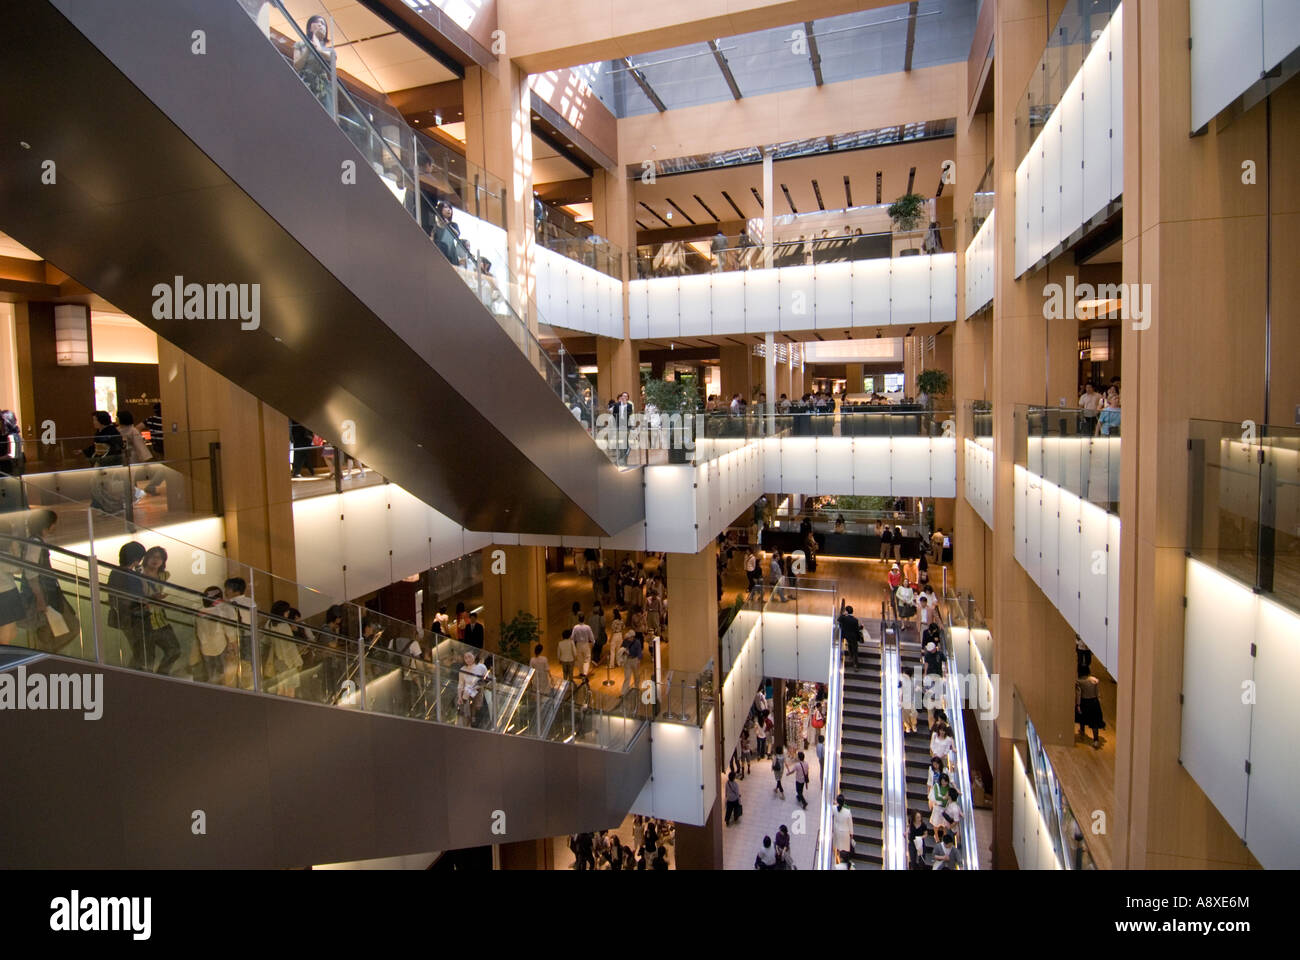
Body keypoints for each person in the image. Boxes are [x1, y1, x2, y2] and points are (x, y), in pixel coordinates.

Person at [106, 541, 148, 668]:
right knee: (140, 650)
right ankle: (133, 676)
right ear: (136, 559)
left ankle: (135, 675)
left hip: (126, 616)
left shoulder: (115, 573)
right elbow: (141, 594)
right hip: (131, 617)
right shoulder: (130, 575)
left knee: (139, 649)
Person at [139, 546, 180, 675]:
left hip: (161, 620)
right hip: (145, 620)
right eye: (153, 556)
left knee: (174, 650)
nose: (156, 560)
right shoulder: (138, 574)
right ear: (146, 558)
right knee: (147, 657)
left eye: (160, 558)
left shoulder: (163, 575)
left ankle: (162, 675)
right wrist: (152, 597)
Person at [292, 14, 337, 119]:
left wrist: (315, 39)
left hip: (323, 90)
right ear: (310, 26)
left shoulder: (330, 51)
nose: (322, 26)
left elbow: (323, 55)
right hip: (305, 84)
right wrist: (309, 47)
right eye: (319, 22)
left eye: (324, 25)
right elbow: (297, 65)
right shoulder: (300, 45)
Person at [196, 585, 239, 686]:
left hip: (205, 648)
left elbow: (198, 632)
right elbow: (229, 631)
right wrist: (235, 646)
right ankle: (220, 690)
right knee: (221, 672)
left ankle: (211, 688)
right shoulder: (220, 612)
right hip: (220, 647)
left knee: (210, 672)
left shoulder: (199, 613)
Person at [457, 650, 489, 727]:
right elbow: (460, 684)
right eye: (465, 658)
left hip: (478, 693)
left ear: (474, 656)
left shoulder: (481, 667)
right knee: (465, 714)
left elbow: (487, 679)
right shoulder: (463, 669)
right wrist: (459, 696)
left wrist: (479, 685)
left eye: (469, 657)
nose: (468, 659)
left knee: (477, 713)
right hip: (466, 694)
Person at [1076, 662, 1104, 748]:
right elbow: (1097, 693)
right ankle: (1096, 740)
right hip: (1094, 702)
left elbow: (1079, 694)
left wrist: (1078, 705)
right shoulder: (1094, 680)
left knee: (1081, 717)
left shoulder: (1079, 682)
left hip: (1085, 701)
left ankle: (1082, 730)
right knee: (1094, 722)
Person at [433, 201, 465, 266]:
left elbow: (457, 234)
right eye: (446, 207)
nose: (449, 210)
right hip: (439, 253)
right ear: (440, 209)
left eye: (450, 208)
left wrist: (448, 225)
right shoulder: (435, 226)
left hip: (451, 253)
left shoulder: (453, 224)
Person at [612, 392, 634, 466]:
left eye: (626, 396)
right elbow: (614, 414)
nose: (624, 397)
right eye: (623, 396)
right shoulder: (616, 405)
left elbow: (629, 413)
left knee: (627, 443)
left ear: (627, 398)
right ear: (621, 397)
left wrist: (624, 406)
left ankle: (624, 458)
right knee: (620, 442)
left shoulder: (629, 405)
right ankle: (622, 458)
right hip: (618, 426)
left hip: (626, 426)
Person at [833, 794, 854, 866]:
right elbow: (850, 824)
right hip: (845, 833)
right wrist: (851, 834)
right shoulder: (847, 812)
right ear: (844, 802)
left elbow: (834, 807)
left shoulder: (834, 809)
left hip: (837, 831)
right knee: (846, 848)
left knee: (839, 846)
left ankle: (839, 860)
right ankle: (846, 862)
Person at [837, 604, 861, 668]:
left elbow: (838, 619)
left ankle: (850, 656)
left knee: (850, 644)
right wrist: (861, 627)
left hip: (846, 636)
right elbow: (856, 629)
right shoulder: (855, 620)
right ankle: (855, 664)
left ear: (846, 611)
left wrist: (843, 614)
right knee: (855, 650)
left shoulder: (844, 618)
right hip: (853, 636)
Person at [620, 630, 643, 694]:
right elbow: (621, 649)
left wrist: (639, 660)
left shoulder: (637, 642)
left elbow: (639, 652)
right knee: (627, 677)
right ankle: (623, 692)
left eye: (630, 637)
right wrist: (624, 651)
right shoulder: (625, 641)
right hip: (627, 660)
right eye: (628, 637)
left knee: (636, 676)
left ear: (633, 637)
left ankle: (637, 688)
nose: (629, 639)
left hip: (635, 660)